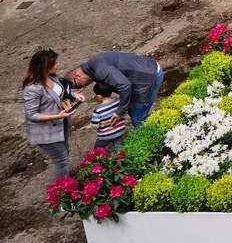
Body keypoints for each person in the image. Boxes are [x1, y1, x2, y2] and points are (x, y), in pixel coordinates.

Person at [22, 49, 80, 179]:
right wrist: (57, 116)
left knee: (65, 154)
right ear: (45, 67)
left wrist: (74, 95)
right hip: (46, 131)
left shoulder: (52, 78)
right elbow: (31, 114)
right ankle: (64, 191)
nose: (58, 64)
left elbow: (60, 94)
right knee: (61, 161)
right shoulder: (33, 88)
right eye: (55, 63)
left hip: (61, 124)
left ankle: (66, 185)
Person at [70, 52, 163, 128]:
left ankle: (154, 144)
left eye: (78, 85)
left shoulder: (99, 69)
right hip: (146, 70)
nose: (83, 87)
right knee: (133, 110)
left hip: (149, 75)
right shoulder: (93, 66)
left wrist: (120, 111)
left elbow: (124, 85)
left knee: (138, 118)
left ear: (77, 76)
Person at [88, 82, 129, 153]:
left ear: (99, 96)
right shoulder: (118, 102)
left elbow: (94, 126)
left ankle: (101, 159)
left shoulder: (98, 110)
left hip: (105, 136)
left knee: (97, 149)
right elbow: (124, 111)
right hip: (119, 132)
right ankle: (120, 161)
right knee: (119, 150)